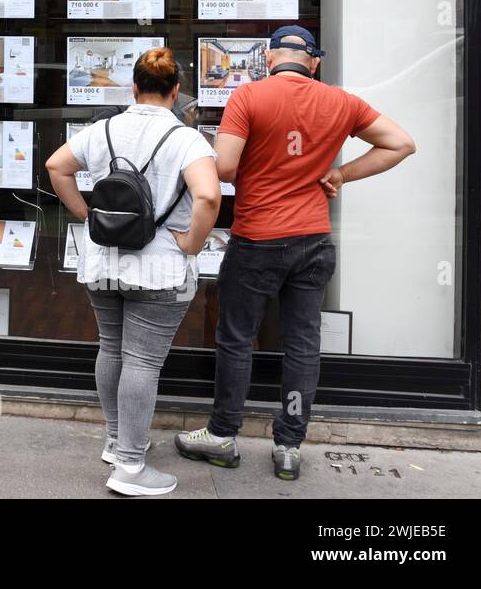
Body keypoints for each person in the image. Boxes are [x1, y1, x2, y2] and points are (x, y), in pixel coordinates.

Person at [175, 27, 415, 481]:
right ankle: (288, 445)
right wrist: (342, 173)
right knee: (302, 344)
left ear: (269, 59)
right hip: (314, 239)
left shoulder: (249, 98)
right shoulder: (342, 102)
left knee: (236, 337)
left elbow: (224, 168)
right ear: (314, 63)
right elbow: (401, 143)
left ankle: (223, 435)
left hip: (257, 238)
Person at [47, 48, 221, 497]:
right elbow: (208, 197)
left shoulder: (102, 129)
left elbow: (55, 166)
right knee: (142, 361)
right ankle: (129, 466)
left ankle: (115, 441)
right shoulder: (186, 139)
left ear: (134, 87)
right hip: (160, 269)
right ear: (177, 91)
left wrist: (87, 215)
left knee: (112, 349)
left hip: (103, 262)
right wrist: (193, 243)